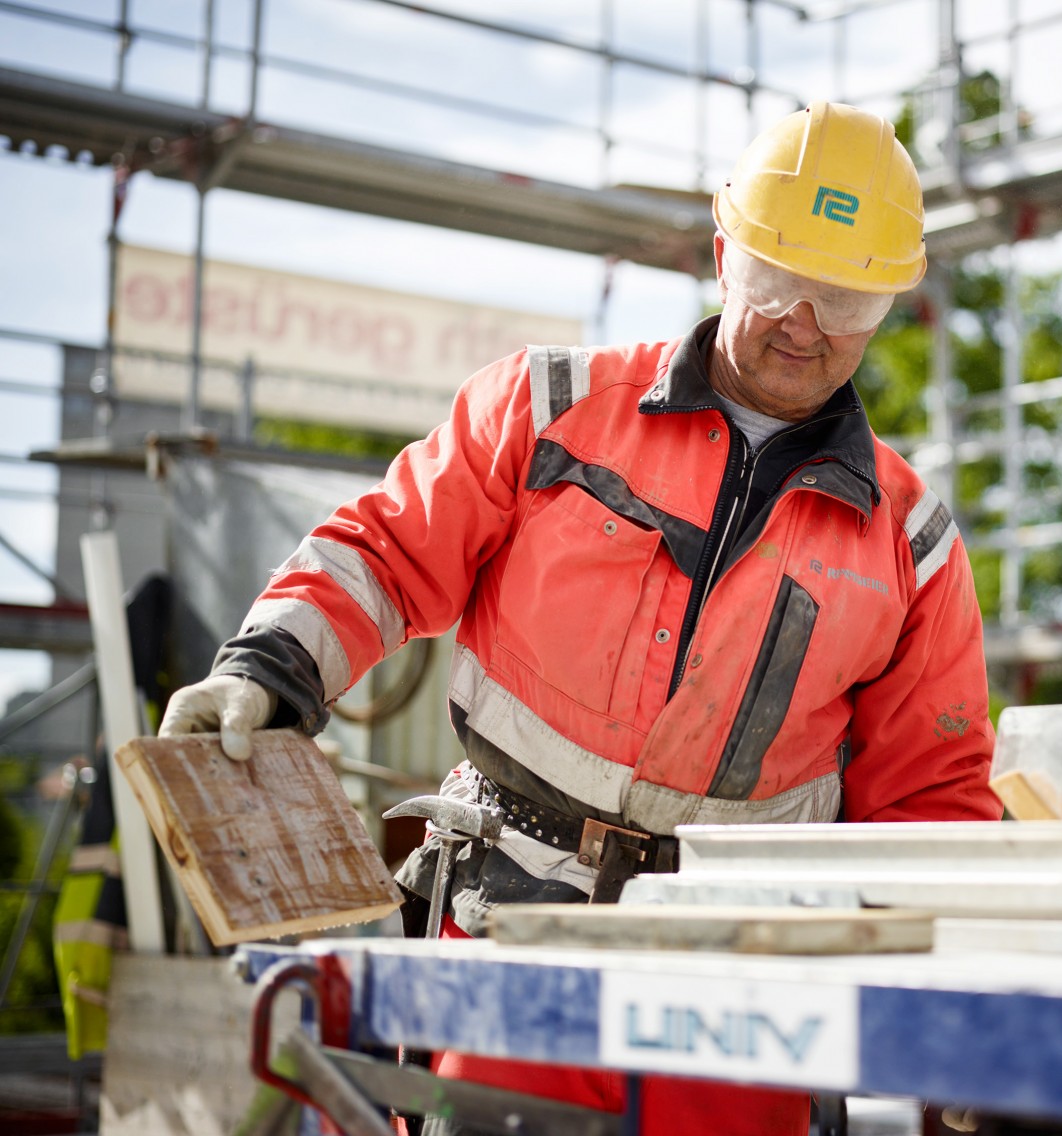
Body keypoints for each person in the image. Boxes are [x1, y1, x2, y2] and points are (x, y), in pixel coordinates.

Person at [160, 100, 1002, 1135]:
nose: (803, 322)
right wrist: (271, 664)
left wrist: (963, 1009)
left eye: (844, 299)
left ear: (890, 304)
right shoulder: (547, 406)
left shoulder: (909, 540)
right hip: (510, 940)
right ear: (723, 248)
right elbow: (385, 546)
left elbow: (933, 798)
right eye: (778, 277)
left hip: (745, 992)